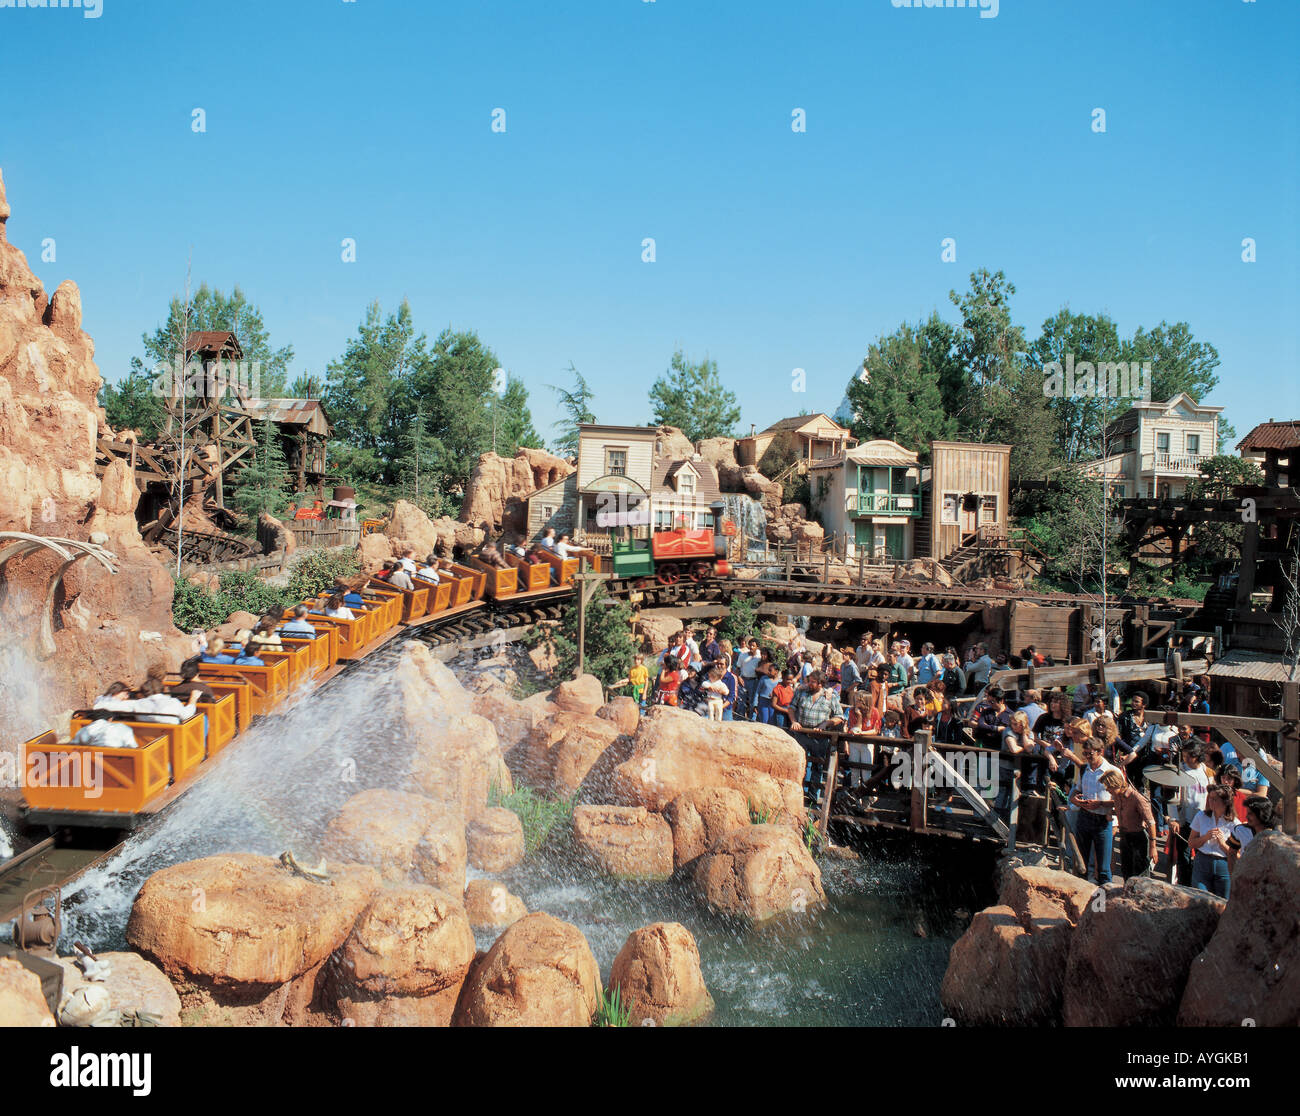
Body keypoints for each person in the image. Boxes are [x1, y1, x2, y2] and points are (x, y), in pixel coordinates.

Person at [1071, 738, 1120, 885]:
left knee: (1104, 868)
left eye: (1090, 754)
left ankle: (1104, 904)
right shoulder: (1084, 769)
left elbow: (1120, 800)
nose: (1087, 757)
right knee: (1081, 864)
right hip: (1084, 818)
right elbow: (1077, 789)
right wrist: (1075, 799)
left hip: (1102, 821)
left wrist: (1101, 804)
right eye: (1085, 753)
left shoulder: (1112, 771)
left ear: (1100, 752)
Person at [1101, 769, 1158, 880]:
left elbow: (1151, 822)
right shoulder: (1117, 796)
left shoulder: (1137, 798)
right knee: (1126, 871)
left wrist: (1153, 847)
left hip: (1138, 838)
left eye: (1109, 787)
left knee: (1140, 875)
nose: (1107, 790)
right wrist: (1110, 812)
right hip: (1124, 836)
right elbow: (1119, 809)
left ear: (1116, 784)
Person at [1168, 742, 1209, 886]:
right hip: (1186, 819)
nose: (1185, 759)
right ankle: (1184, 884)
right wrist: (1174, 818)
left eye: (1188, 756)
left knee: (1201, 854)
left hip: (1203, 819)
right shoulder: (1180, 771)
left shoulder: (1206, 771)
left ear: (1197, 756)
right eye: (1183, 755)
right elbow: (1172, 795)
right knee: (1183, 855)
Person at [1188, 785, 1236, 899]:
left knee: (1223, 901)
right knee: (1200, 899)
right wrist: (1205, 837)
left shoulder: (1235, 824)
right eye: (1210, 798)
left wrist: (1222, 844)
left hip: (1224, 864)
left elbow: (1237, 855)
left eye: (1215, 799)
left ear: (1225, 802)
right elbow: (1191, 843)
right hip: (1202, 861)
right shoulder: (1201, 816)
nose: (1211, 802)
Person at [1226, 795, 1275, 869]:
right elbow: (1231, 854)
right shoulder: (1240, 830)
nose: (1246, 817)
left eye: (1250, 814)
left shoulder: (1275, 833)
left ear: (1261, 814)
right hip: (1246, 876)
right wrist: (1233, 876)